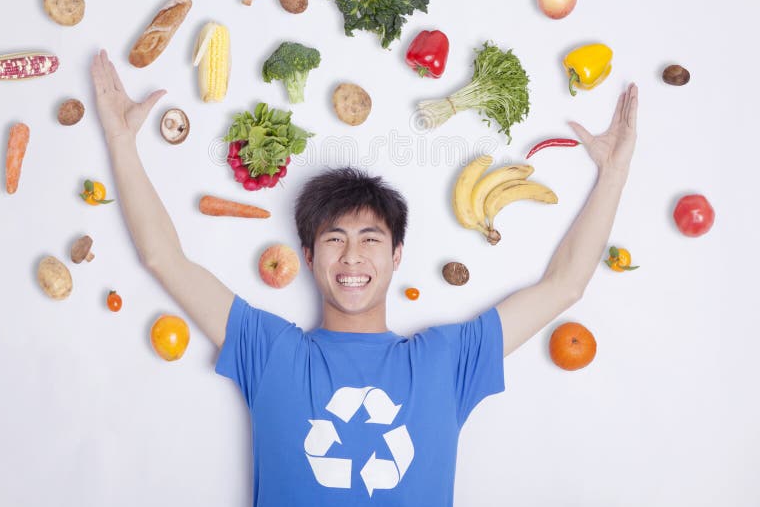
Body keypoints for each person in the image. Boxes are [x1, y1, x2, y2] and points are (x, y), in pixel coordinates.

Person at [91, 49, 639, 506]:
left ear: (397, 255)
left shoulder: (446, 360)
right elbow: (165, 259)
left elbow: (565, 285)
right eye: (334, 239)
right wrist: (120, 140)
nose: (352, 257)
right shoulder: (270, 351)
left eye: (371, 239)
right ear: (308, 256)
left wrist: (613, 171)